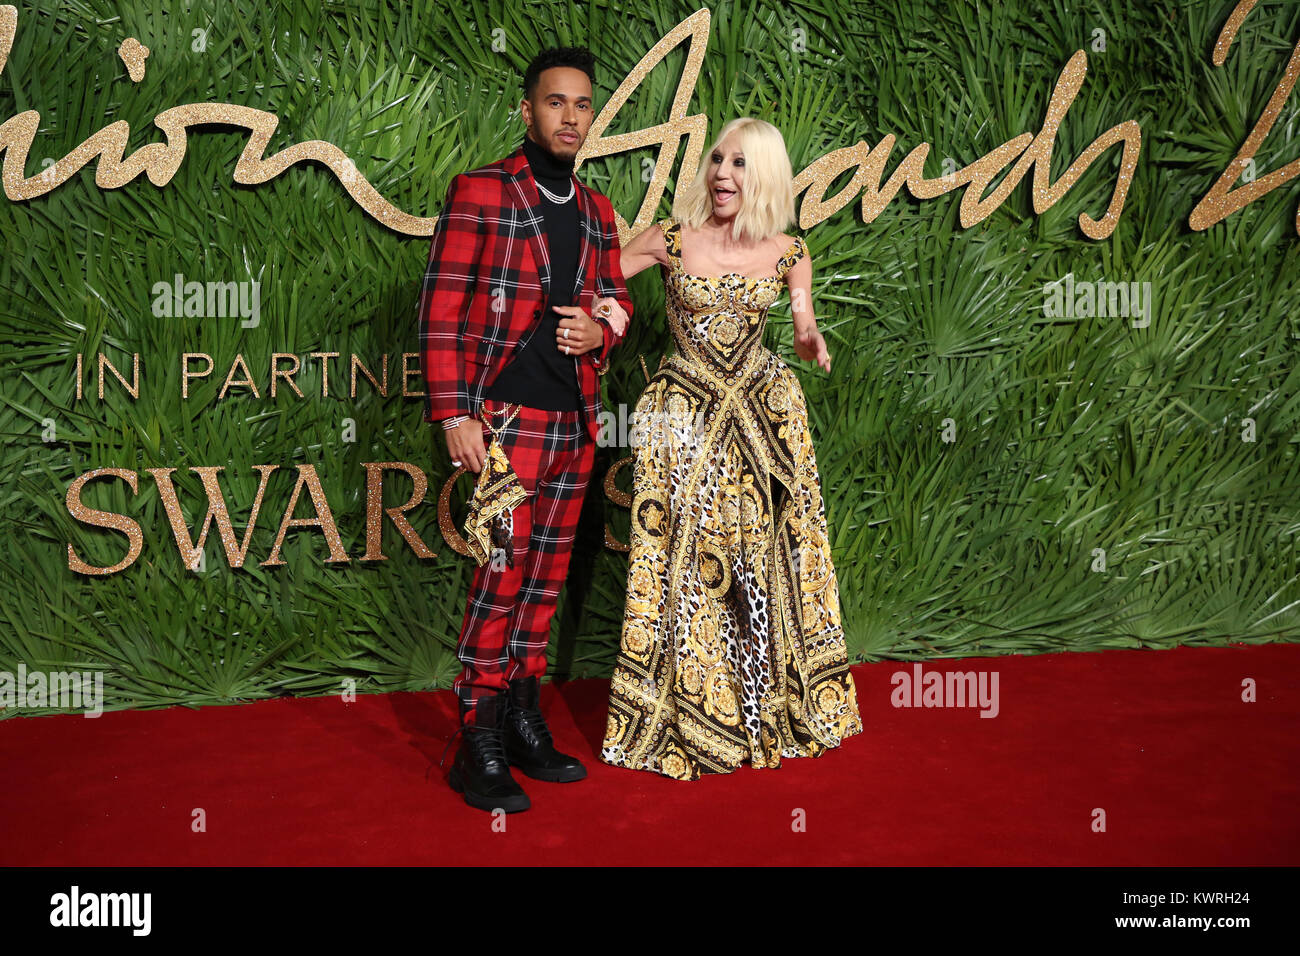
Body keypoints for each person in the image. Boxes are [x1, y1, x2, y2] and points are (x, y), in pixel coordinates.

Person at [599, 118, 862, 780]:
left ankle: (755, 711)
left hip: (761, 420)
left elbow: (803, 322)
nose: (722, 173)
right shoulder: (669, 238)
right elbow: (605, 285)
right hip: (680, 419)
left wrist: (809, 341)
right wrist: (609, 315)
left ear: (765, 175)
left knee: (755, 564)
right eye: (717, 159)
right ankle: (681, 714)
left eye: (740, 163)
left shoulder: (789, 252)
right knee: (684, 564)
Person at [418, 46, 634, 812]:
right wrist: (453, 413)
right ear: (527, 110)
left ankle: (520, 720)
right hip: (502, 424)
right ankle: (474, 737)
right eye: (555, 103)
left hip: (572, 423)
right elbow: (441, 308)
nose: (570, 117)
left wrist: (598, 334)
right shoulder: (482, 190)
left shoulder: (598, 209)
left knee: (542, 583)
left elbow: (617, 299)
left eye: (581, 105)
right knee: (499, 576)